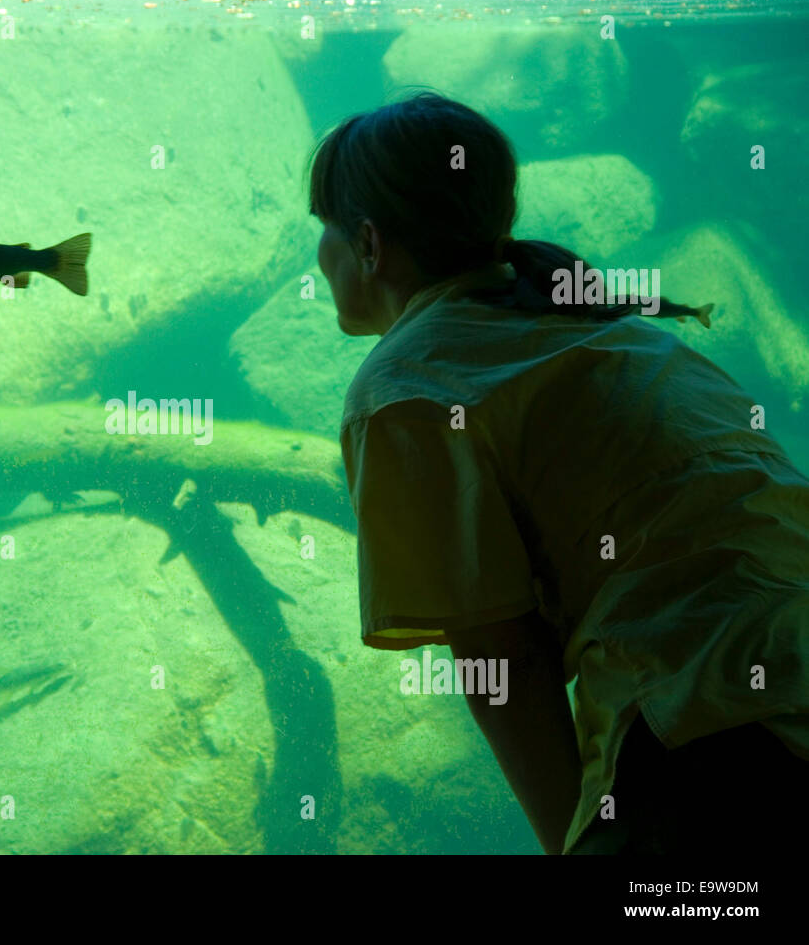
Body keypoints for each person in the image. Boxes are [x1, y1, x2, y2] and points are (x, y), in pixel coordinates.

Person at [311, 91, 809, 855]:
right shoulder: (626, 336)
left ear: (370, 245)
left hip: (714, 726)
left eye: (326, 232)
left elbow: (501, 661)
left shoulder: (404, 390)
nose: (322, 255)